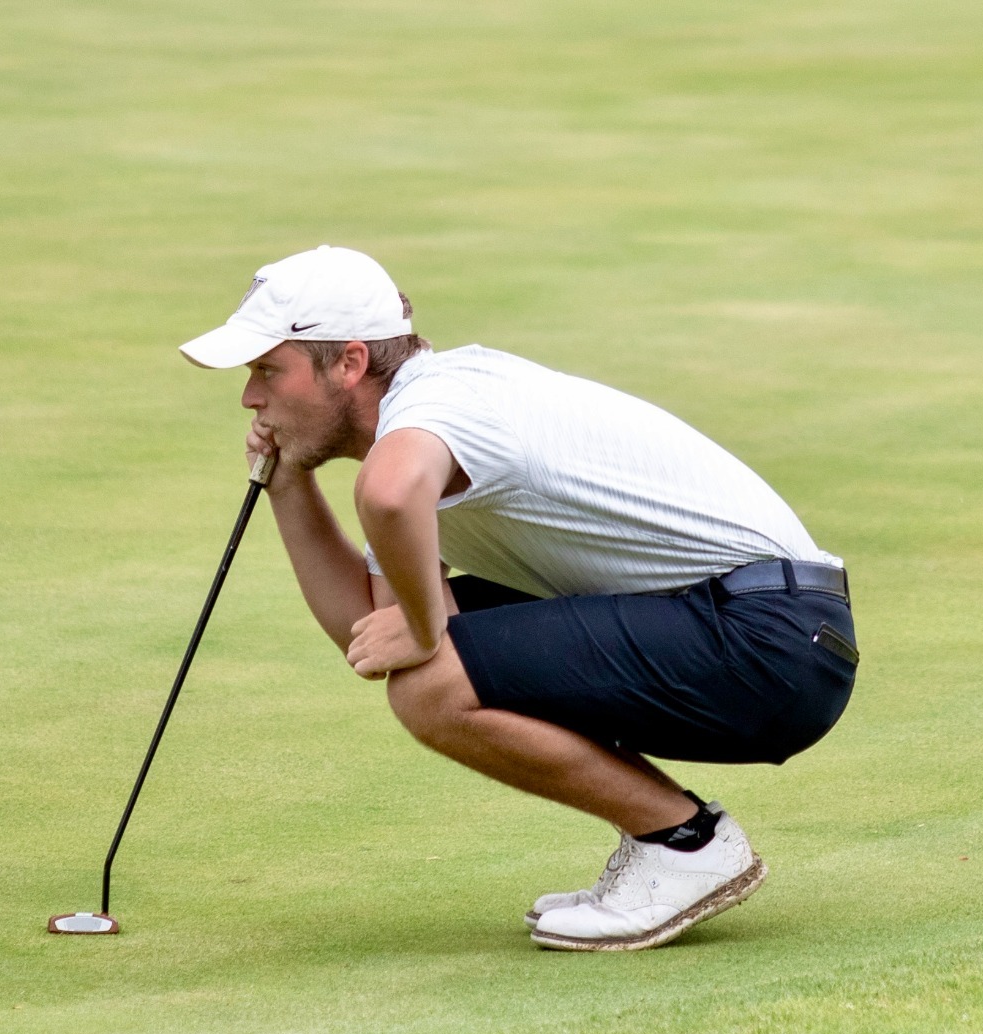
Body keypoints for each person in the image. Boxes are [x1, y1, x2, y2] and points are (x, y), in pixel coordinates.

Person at [179, 246, 859, 951]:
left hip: (771, 638)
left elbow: (388, 499)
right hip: (743, 629)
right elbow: (368, 630)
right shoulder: (416, 429)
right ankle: (672, 837)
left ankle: (684, 842)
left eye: (267, 371)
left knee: (428, 679)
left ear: (349, 364)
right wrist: (290, 486)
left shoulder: (438, 409)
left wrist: (421, 629)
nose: (251, 398)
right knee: (422, 663)